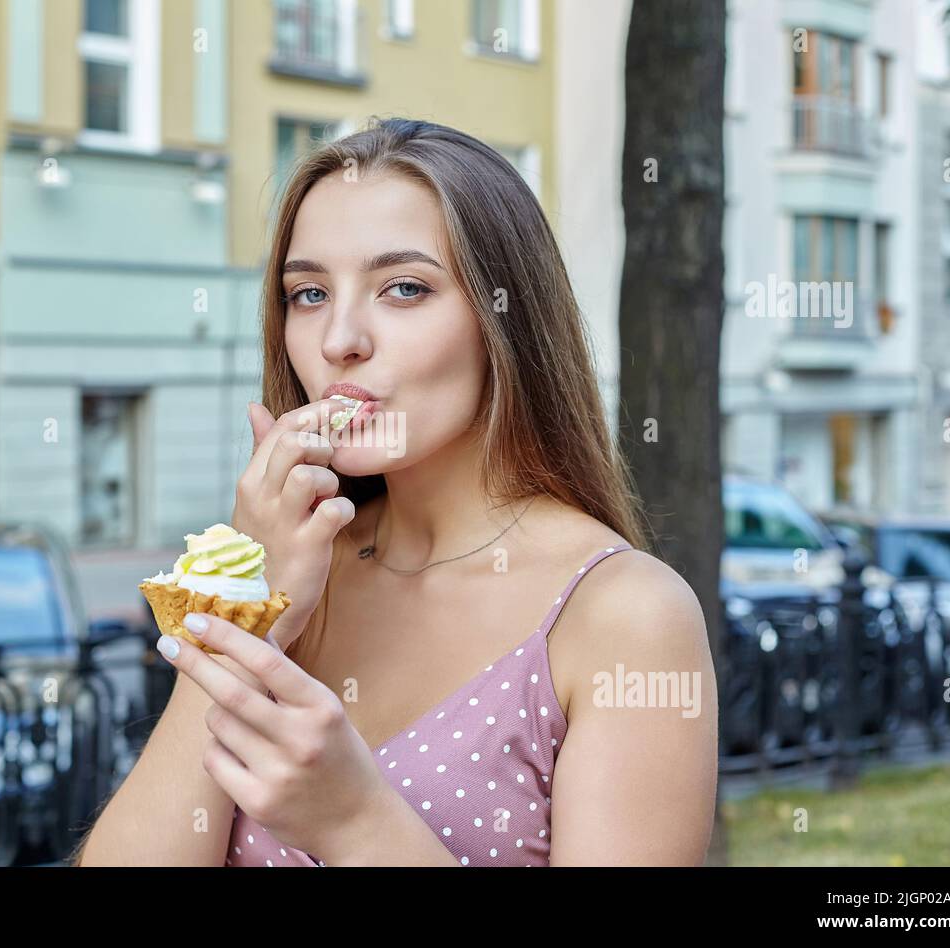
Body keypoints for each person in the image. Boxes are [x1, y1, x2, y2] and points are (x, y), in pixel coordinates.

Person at [77, 118, 717, 866]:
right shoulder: (301, 578)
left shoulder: (624, 617)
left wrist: (357, 823)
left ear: (505, 318)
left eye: (404, 288)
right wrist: (244, 603)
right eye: (308, 293)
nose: (340, 338)